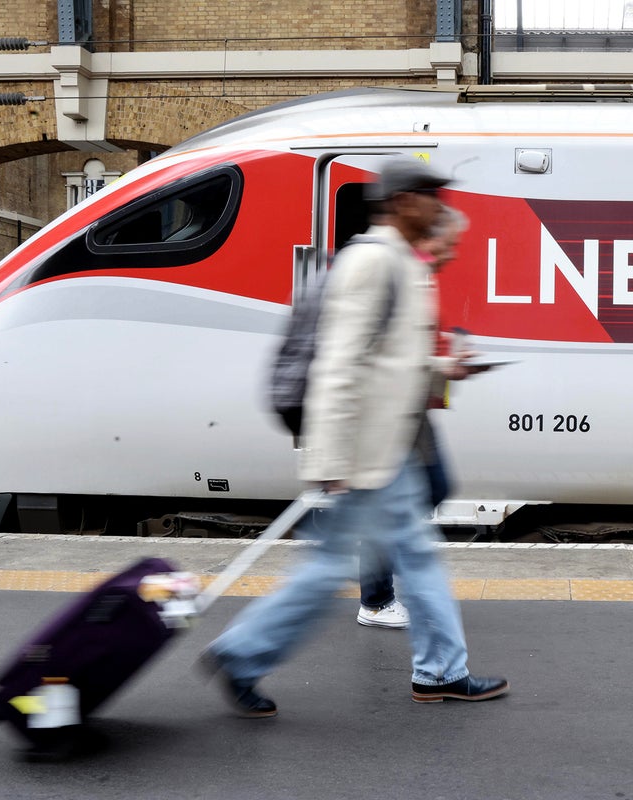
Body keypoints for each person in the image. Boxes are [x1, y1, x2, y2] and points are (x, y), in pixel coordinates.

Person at [200, 157, 509, 717]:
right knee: (329, 571)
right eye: (431, 195)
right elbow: (340, 366)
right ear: (401, 202)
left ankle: (440, 671)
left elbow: (392, 361)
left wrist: (446, 367)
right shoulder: (370, 264)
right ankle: (241, 654)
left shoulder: (401, 265)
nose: (442, 206)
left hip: (388, 452)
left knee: (412, 555)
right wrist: (331, 458)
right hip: (368, 457)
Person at [356, 206, 472, 630]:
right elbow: (387, 351)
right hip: (390, 410)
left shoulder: (418, 273)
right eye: (450, 243)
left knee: (421, 494)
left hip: (409, 408)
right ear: (427, 236)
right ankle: (378, 597)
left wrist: (447, 360)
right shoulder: (400, 271)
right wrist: (442, 364)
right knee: (420, 494)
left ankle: (382, 587)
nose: (454, 253)